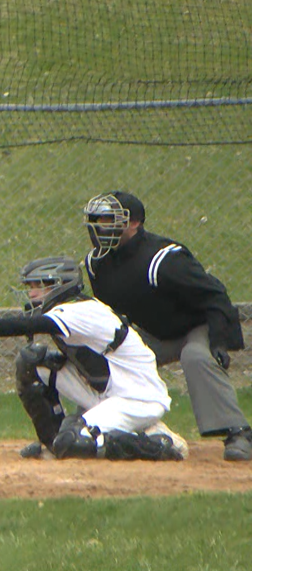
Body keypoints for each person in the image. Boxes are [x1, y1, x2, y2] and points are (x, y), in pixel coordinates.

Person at [0, 255, 186, 461]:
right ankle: (53, 443)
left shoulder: (79, 311)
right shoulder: (70, 308)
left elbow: (24, 324)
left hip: (137, 398)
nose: (32, 293)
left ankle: (158, 444)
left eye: (37, 286)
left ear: (58, 285)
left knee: (74, 441)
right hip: (107, 388)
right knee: (33, 363)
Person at [79, 191, 253, 461]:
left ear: (134, 223)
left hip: (197, 324)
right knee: (104, 362)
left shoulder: (163, 258)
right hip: (154, 333)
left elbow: (215, 295)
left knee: (195, 355)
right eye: (97, 219)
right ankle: (83, 430)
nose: (100, 225)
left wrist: (218, 341)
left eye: (108, 218)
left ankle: (238, 431)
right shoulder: (97, 263)